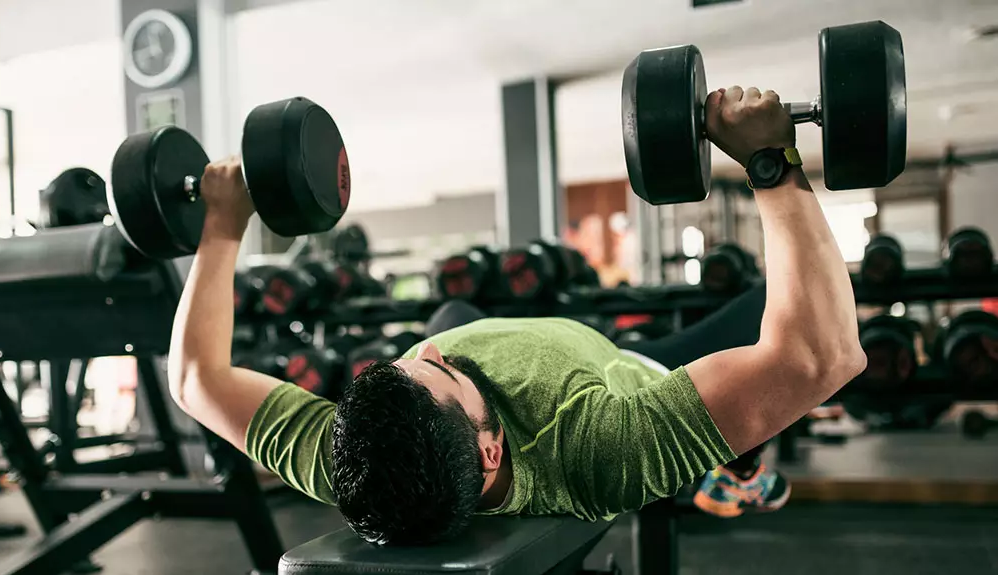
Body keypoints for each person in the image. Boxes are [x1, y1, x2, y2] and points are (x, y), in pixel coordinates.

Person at [167, 85, 866, 546]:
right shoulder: (601, 450)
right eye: (431, 372)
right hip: (637, 369)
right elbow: (822, 355)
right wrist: (769, 160)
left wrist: (223, 224)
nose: (427, 352)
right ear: (491, 449)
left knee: (449, 316)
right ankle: (734, 468)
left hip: (507, 337)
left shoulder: (350, 458)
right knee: (765, 312)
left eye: (406, 362)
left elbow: (196, 379)